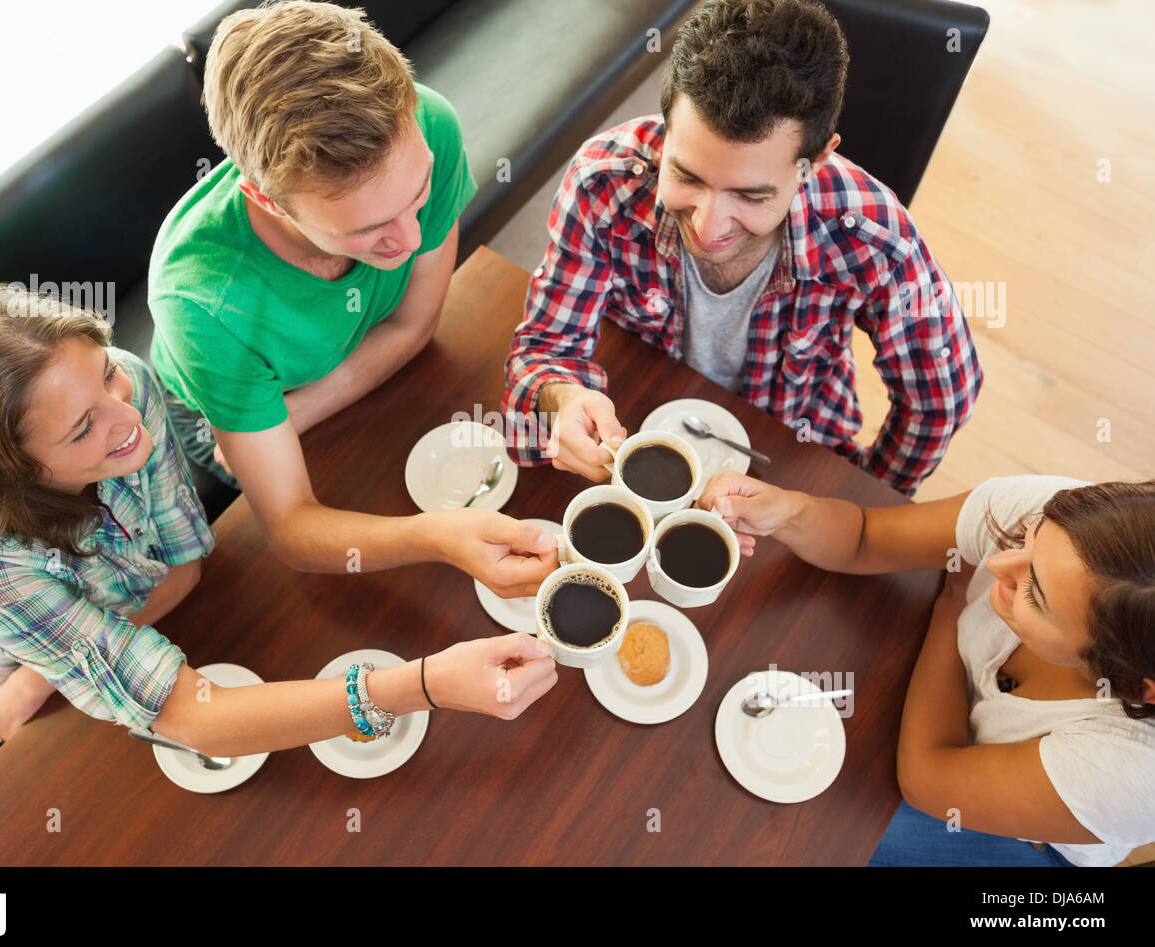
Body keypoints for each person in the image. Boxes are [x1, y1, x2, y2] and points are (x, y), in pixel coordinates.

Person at [0, 285, 557, 749]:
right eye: (82, 431)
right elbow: (192, 719)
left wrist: (96, 654)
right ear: (9, 471)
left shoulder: (130, 386)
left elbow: (187, 571)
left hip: (118, 618)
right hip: (10, 653)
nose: (128, 418)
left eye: (103, 370)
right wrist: (426, 685)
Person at [148, 0, 556, 599]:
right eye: (368, 230)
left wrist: (292, 417)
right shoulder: (201, 302)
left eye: (417, 196)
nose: (414, 240)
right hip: (225, 403)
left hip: (303, 393)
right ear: (267, 201)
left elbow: (416, 329)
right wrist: (437, 538)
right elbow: (289, 526)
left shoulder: (432, 126)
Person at [502, 0, 982, 498]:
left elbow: (941, 399)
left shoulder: (875, 236)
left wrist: (864, 498)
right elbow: (546, 348)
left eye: (751, 195)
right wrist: (562, 397)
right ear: (666, 127)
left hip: (793, 444)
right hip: (634, 418)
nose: (709, 227)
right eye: (686, 175)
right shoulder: (603, 182)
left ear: (812, 164)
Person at [697, 469, 1155, 866]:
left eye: (1035, 593)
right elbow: (864, 537)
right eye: (1031, 537)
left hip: (1034, 839)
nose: (996, 562)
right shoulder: (1069, 527)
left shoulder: (1130, 777)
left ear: (1134, 685)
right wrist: (789, 510)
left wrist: (949, 612)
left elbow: (924, 777)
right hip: (943, 737)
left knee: (814, 839)